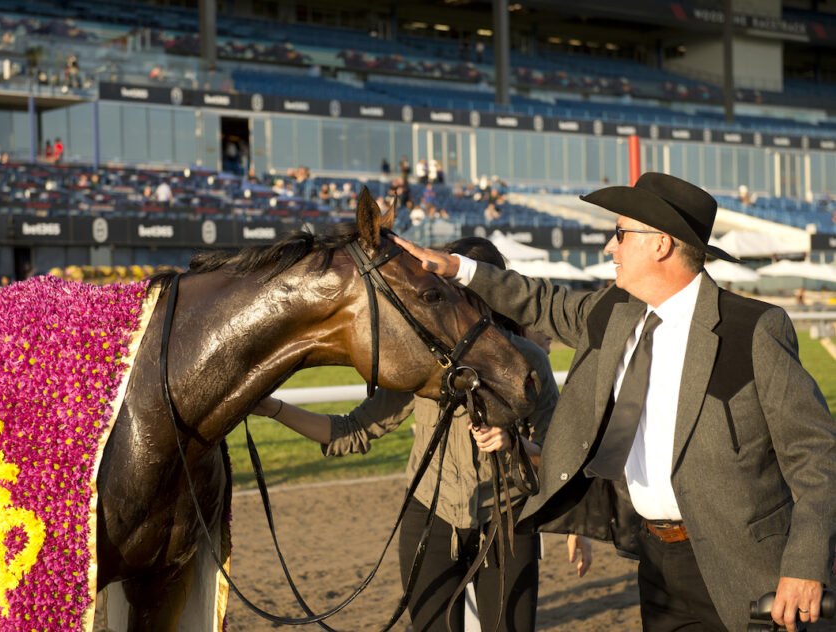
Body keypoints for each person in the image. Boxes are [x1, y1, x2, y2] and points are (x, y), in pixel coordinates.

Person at [392, 172, 836, 632]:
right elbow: (539, 301)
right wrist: (458, 268)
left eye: (620, 233)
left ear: (660, 244)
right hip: (656, 561)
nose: (610, 247)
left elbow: (817, 457)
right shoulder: (612, 312)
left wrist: (805, 565)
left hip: (744, 565)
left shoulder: (755, 328)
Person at [253, 237, 591, 632]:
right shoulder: (422, 360)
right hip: (431, 520)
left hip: (508, 523)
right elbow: (349, 431)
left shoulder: (527, 360)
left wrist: (513, 444)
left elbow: (557, 457)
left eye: (466, 296)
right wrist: (273, 408)